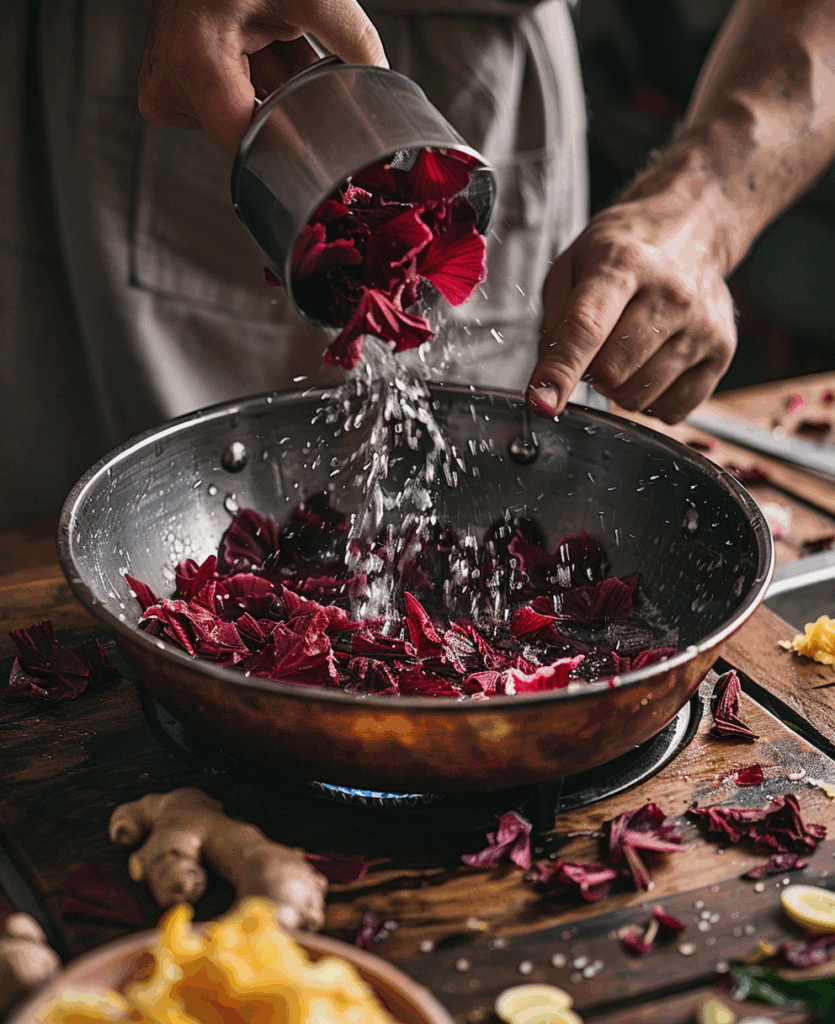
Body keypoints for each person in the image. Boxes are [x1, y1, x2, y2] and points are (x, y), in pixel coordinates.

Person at [3, 0, 835, 528]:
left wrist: (700, 211)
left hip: (481, 76)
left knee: (479, 527)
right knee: (129, 544)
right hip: (168, 62)